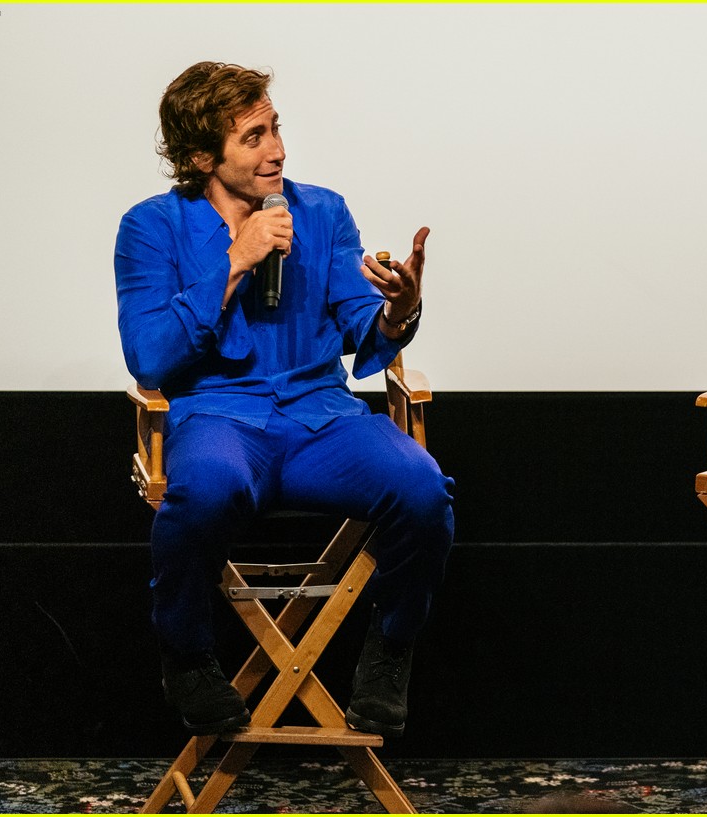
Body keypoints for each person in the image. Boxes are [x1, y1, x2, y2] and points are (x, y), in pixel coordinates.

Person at [115, 61, 455, 737]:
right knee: (202, 492)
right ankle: (187, 655)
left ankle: (390, 648)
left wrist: (398, 311)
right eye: (254, 137)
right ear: (201, 157)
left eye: (275, 129)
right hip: (219, 416)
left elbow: (362, 321)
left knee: (423, 489)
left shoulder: (322, 212)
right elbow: (149, 357)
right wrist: (235, 260)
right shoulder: (151, 227)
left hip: (319, 417)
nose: (277, 150)